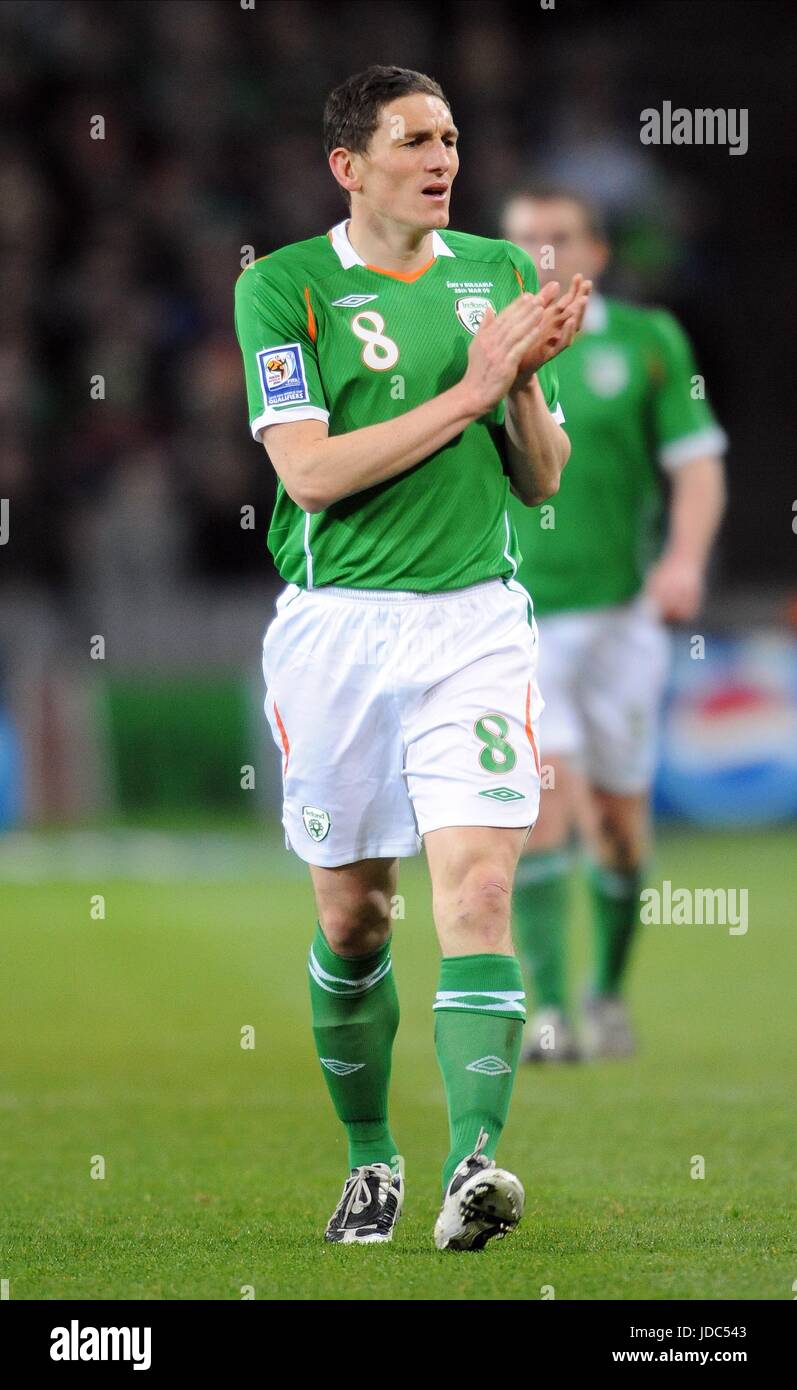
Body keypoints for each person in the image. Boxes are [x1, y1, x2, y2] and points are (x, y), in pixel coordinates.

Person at [234, 68, 590, 1249]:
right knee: (356, 921)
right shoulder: (283, 289)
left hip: (473, 624)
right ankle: (369, 1159)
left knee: (479, 890)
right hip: (338, 632)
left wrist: (522, 384)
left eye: (449, 137)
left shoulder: (499, 272)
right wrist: (476, 384)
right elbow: (310, 475)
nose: (441, 158)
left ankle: (470, 1165)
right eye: (412, 141)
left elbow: (537, 477)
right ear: (350, 165)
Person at [501, 188, 726, 1062]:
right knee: (547, 799)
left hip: (623, 618)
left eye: (556, 237)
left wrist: (682, 561)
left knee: (620, 829)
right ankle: (549, 1010)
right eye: (524, 239)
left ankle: (607, 994)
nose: (540, 253)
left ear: (592, 248)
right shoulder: (482, 344)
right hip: (516, 614)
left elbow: (696, 464)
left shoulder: (646, 341)